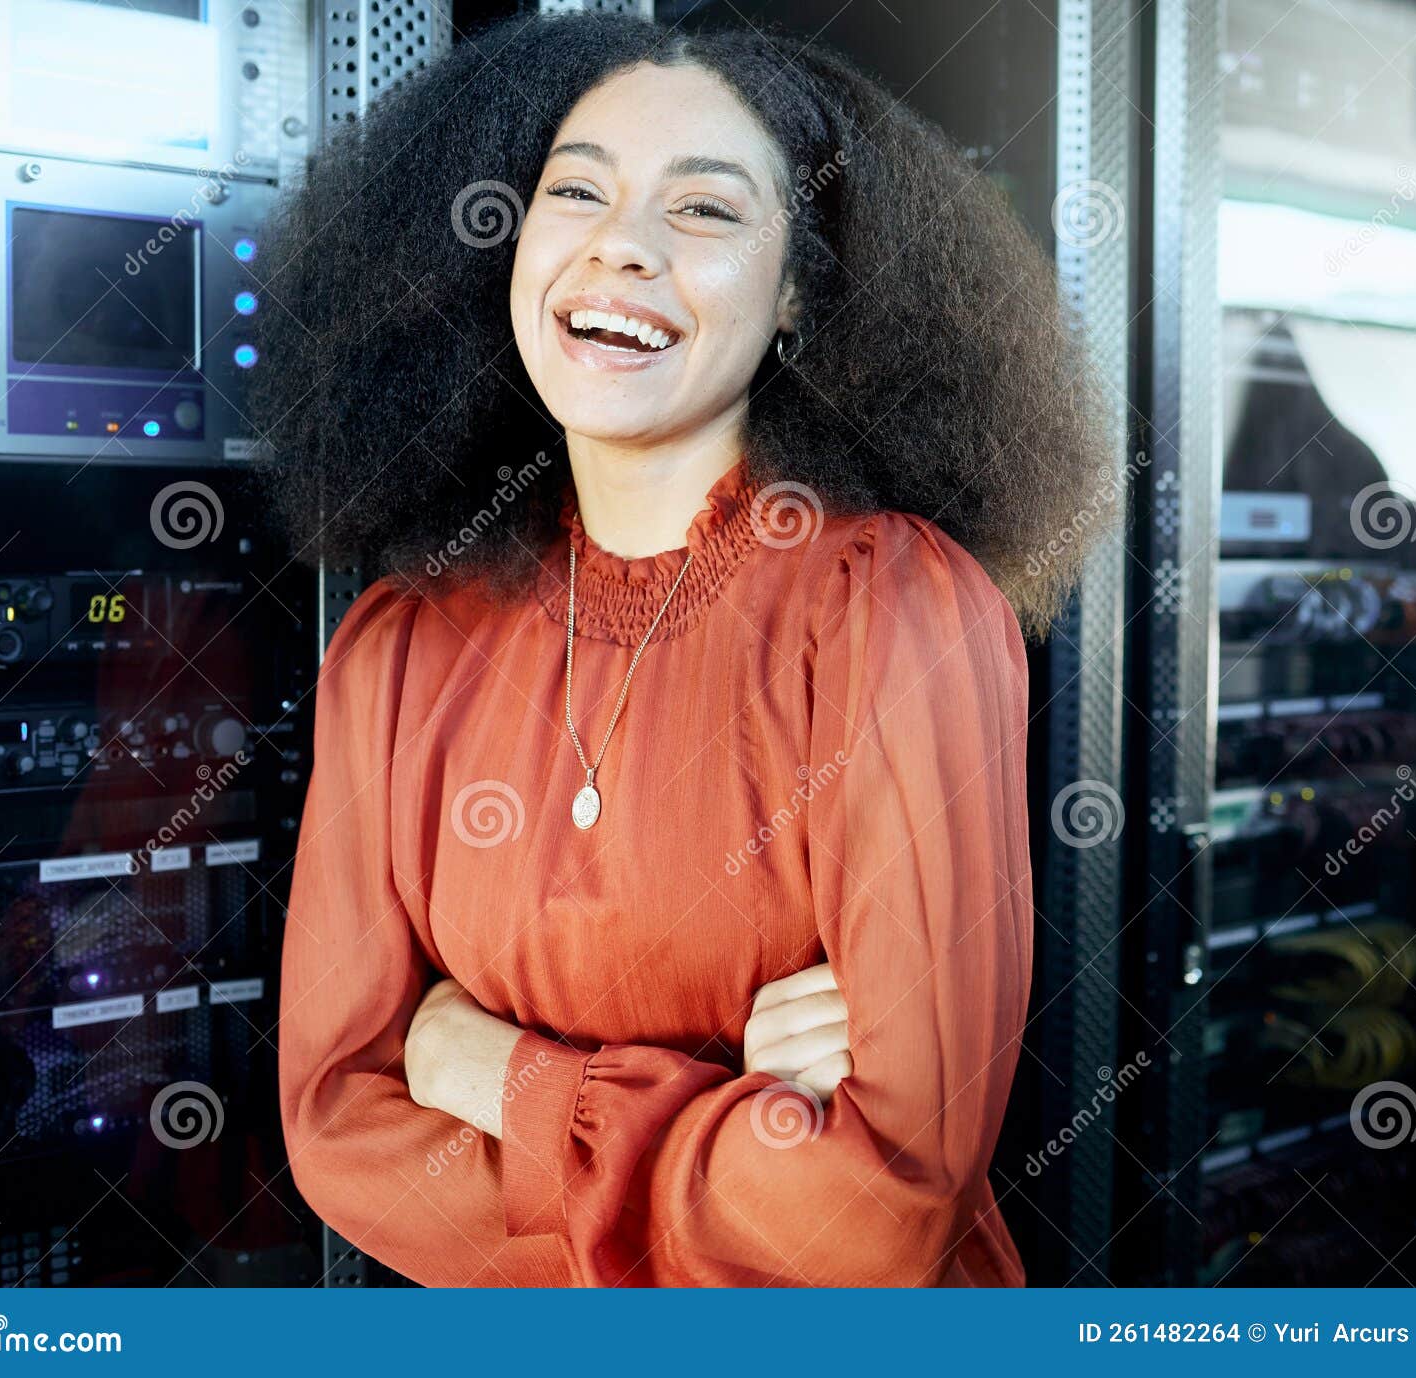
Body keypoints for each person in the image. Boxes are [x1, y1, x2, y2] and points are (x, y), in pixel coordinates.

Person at [253, 12, 1116, 1287]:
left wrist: (499, 1077)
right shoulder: (401, 646)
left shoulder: (892, 610)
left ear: (796, 297)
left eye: (704, 212)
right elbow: (340, 1134)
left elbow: (874, 1216)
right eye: (576, 191)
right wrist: (727, 1118)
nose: (621, 246)